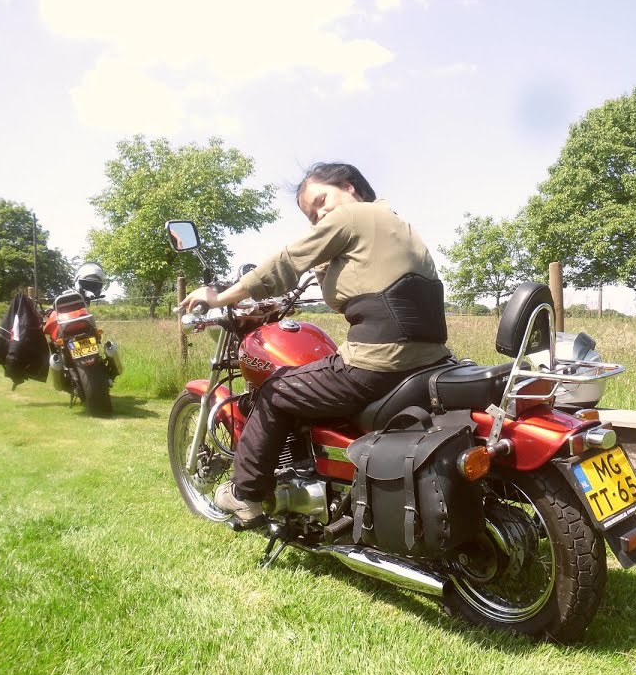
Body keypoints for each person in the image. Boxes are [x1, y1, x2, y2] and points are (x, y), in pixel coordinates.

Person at [179, 162, 452, 526]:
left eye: (321, 200)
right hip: (429, 358)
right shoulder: (397, 225)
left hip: (378, 361)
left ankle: (245, 495)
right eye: (312, 214)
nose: (320, 214)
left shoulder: (353, 216)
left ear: (350, 186)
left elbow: (286, 263)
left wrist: (219, 298)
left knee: (277, 390)